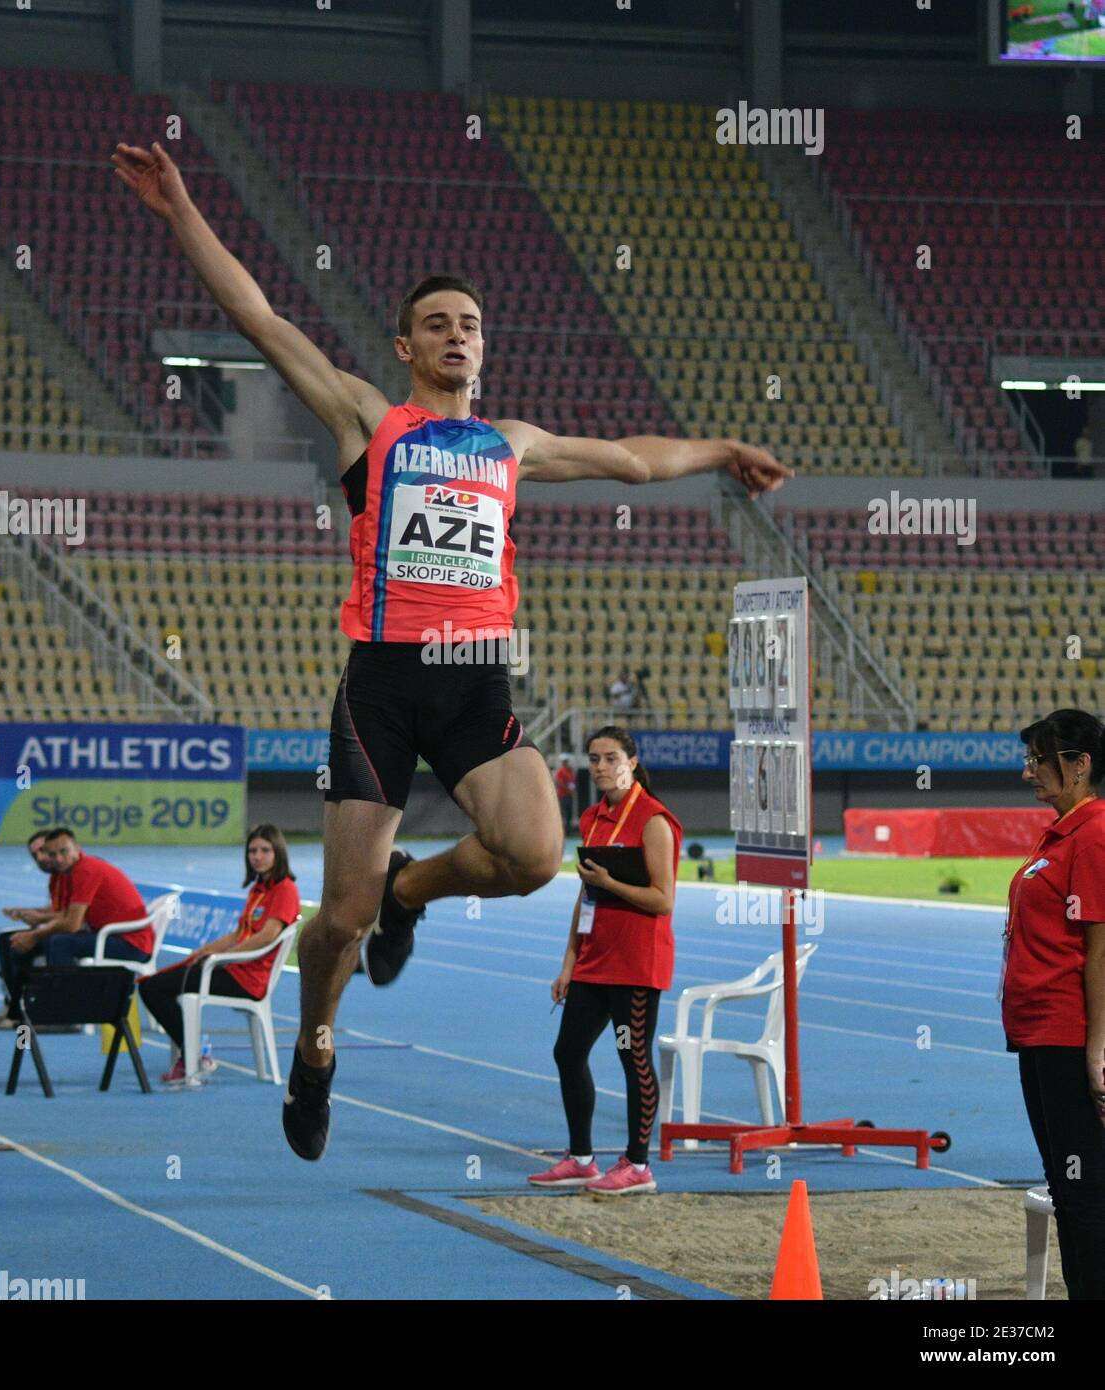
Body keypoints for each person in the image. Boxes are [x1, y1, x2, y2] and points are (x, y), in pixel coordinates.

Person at [111, 140, 789, 1161]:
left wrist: (720, 451)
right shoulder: (367, 422)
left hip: (475, 680)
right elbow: (258, 318)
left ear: (483, 345)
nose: (456, 335)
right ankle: (314, 1047)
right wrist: (179, 212)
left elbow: (634, 463)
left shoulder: (509, 443)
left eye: (469, 324)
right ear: (405, 346)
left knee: (532, 855)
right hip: (381, 685)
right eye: (436, 323)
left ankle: (409, 892)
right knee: (334, 920)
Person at [530, 726, 682, 1195]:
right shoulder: (593, 818)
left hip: (636, 962)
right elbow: (586, 893)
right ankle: (581, 1158)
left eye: (610, 758)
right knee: (568, 1051)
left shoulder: (655, 821)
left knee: (632, 1057)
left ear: (632, 762)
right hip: (596, 961)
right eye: (593, 758)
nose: (600, 767)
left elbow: (662, 900)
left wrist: (611, 883)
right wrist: (569, 960)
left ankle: (638, 1166)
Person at [1003, 709, 1105, 1300]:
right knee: (1066, 1186)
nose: (1028, 772)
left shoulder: (1093, 834)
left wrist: (1097, 1047)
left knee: (1082, 1187)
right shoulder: (1061, 830)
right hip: (1039, 1034)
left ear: (1079, 764)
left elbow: (1100, 947)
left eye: (1039, 760)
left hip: (1068, 1036)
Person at [139, 824, 301, 1086]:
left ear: (278, 853)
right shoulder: (258, 890)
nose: (257, 856)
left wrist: (226, 957)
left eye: (264, 850)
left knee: (153, 989)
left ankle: (196, 1056)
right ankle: (191, 1052)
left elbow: (267, 936)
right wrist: (206, 950)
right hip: (233, 969)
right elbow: (239, 933)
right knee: (155, 985)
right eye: (252, 851)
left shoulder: (284, 889)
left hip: (248, 979)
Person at [0, 827, 154, 1018]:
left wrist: (34, 933)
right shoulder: (69, 872)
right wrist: (36, 923)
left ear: (76, 848)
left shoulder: (86, 870)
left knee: (59, 943)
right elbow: (64, 914)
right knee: (11, 942)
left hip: (131, 943)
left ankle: (67, 1012)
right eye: (52, 854)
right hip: (110, 935)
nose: (59, 858)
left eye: (64, 851)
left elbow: (71, 923)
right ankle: (18, 1008)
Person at [0, 832, 57, 1028]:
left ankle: (23, 1009)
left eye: (43, 851)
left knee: (20, 943)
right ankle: (12, 1004)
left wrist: (36, 924)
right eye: (35, 855)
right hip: (65, 929)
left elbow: (72, 915)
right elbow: (58, 910)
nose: (40, 858)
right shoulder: (55, 877)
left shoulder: (71, 871)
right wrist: (28, 913)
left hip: (81, 933)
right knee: (6, 940)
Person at [553, 754, 577, 833]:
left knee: (569, 813)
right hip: (563, 795)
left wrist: (572, 790)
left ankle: (568, 830)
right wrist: (567, 789)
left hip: (569, 795)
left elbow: (572, 782)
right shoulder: (560, 771)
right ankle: (562, 831)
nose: (566, 763)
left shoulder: (569, 771)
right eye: (564, 761)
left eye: (566, 761)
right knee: (564, 813)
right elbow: (559, 782)